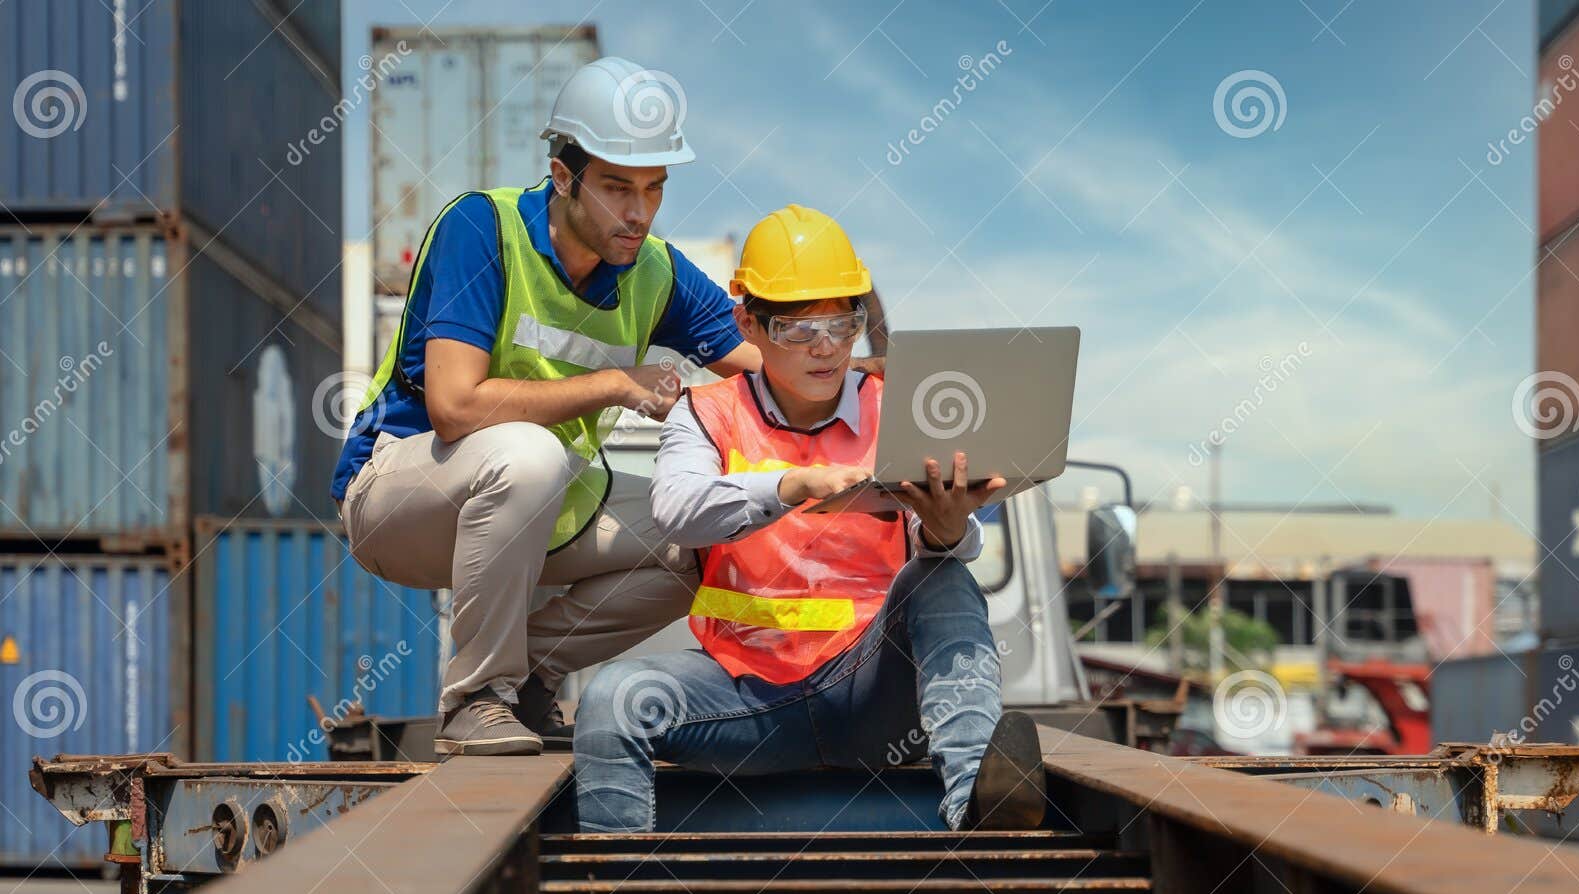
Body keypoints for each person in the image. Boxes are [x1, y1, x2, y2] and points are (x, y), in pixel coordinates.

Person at [331, 58, 764, 756]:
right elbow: (455, 406)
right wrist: (617, 383)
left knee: (710, 532)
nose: (639, 213)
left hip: (544, 504)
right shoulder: (483, 229)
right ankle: (475, 696)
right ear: (563, 176)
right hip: (398, 496)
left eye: (654, 190)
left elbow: (770, 369)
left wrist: (855, 368)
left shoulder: (655, 270)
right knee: (528, 454)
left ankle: (531, 669)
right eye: (618, 188)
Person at [573, 206, 1049, 832]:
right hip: (745, 699)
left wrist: (946, 530)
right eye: (799, 329)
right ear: (749, 322)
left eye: (842, 324)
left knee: (947, 578)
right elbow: (677, 509)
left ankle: (975, 809)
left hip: (873, 695)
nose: (825, 348)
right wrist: (793, 484)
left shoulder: (899, 410)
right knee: (612, 697)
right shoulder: (707, 413)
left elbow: (936, 552)